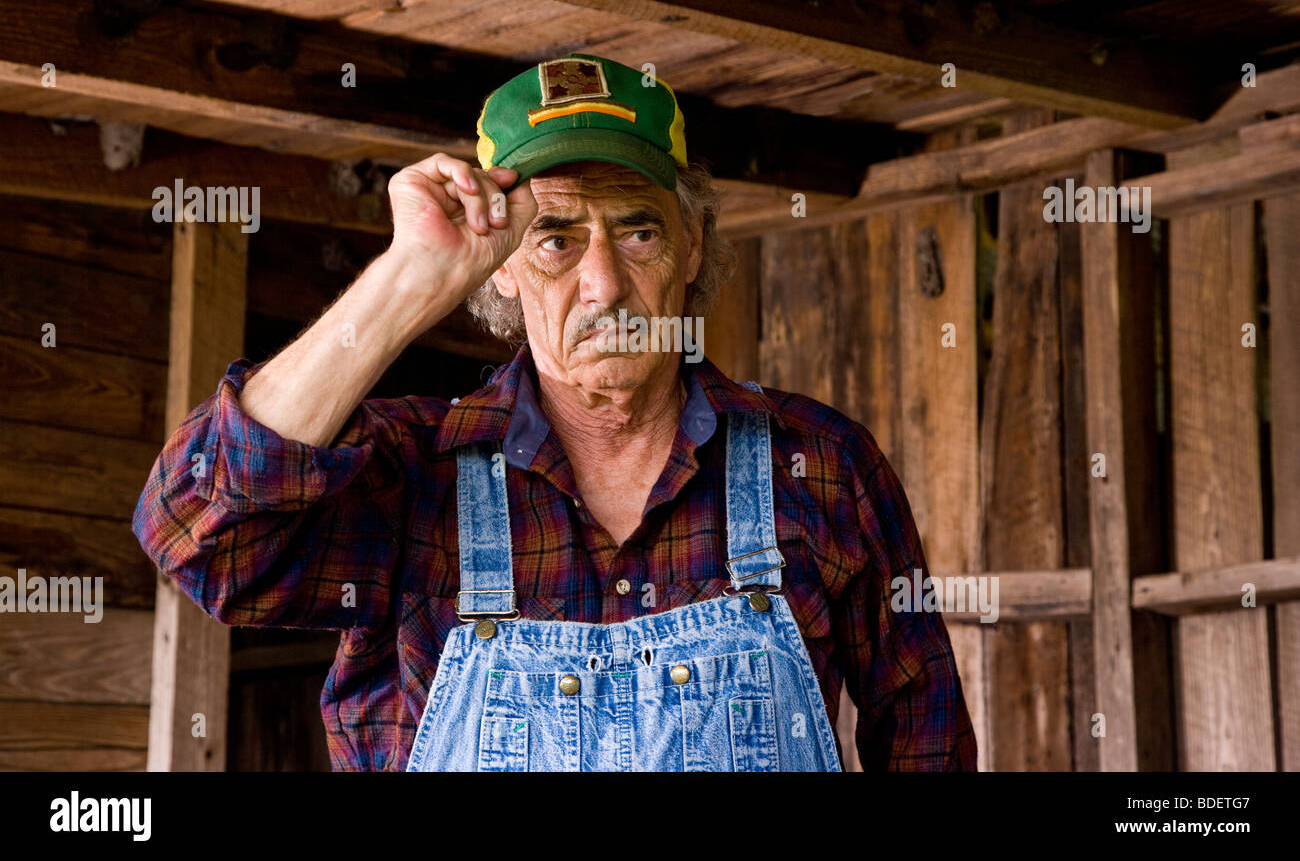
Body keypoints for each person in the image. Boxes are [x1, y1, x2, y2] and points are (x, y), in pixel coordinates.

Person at [134, 53, 977, 771]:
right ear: (500, 267)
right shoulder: (409, 478)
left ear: (691, 247)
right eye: (555, 238)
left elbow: (928, 742)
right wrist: (407, 278)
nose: (603, 283)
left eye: (639, 232)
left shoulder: (821, 464)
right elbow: (199, 537)